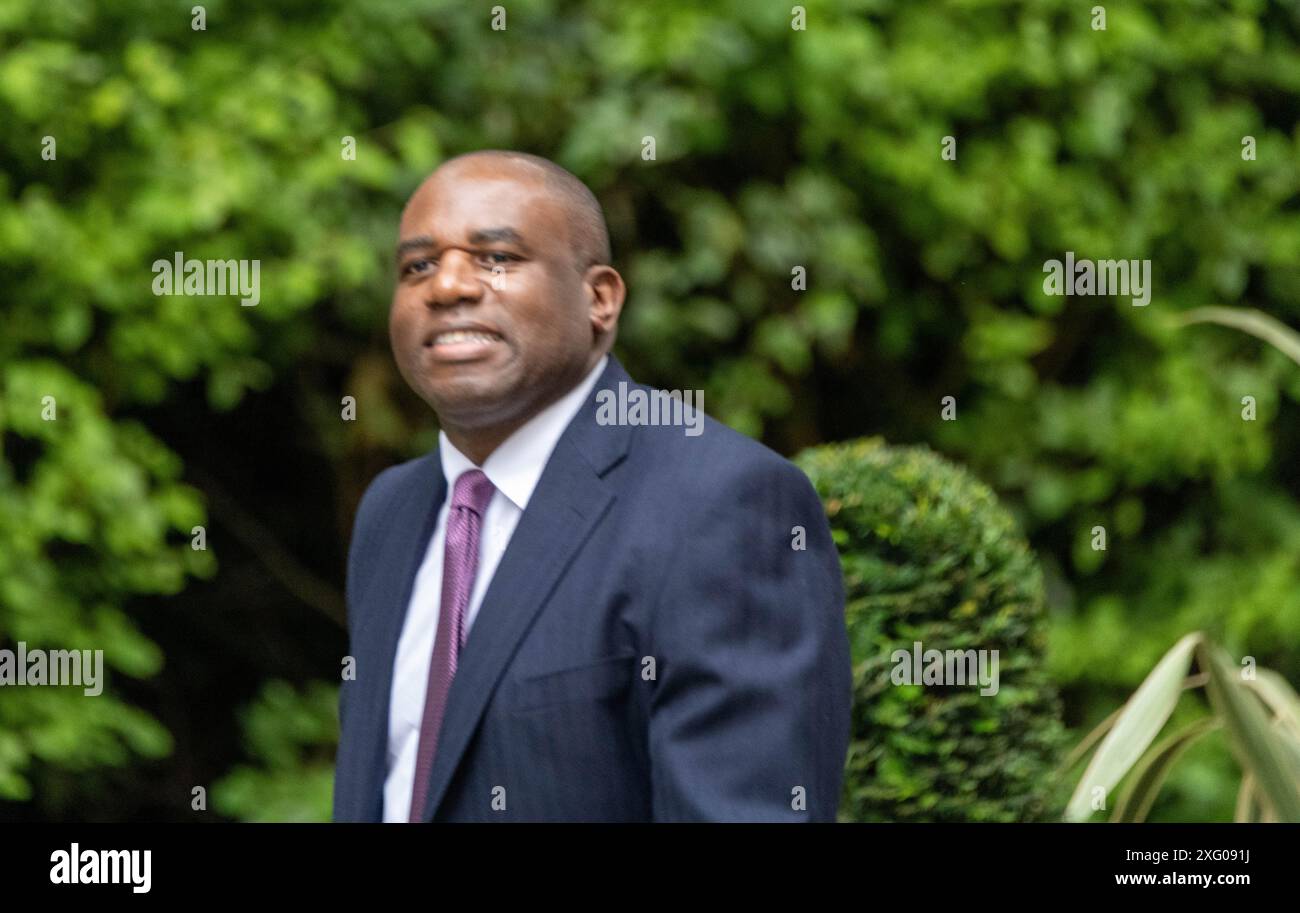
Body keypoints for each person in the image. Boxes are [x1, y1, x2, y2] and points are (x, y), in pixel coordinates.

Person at [331, 150, 852, 822]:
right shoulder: (391, 512)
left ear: (599, 297)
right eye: (417, 266)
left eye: (497, 257)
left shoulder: (723, 504)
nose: (448, 285)